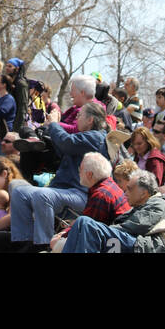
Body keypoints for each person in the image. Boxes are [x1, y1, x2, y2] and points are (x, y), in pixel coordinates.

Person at [9, 101, 108, 248]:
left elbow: (67, 143)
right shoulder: (84, 136)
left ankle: (44, 246)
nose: (76, 119)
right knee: (18, 191)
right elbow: (61, 149)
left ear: (90, 120)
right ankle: (24, 242)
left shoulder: (97, 138)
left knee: (42, 196)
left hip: (81, 194)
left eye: (79, 116)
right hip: (62, 191)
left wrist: (54, 124)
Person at [59, 167, 165, 254]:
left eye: (130, 189)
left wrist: (100, 229)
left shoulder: (158, 203)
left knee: (86, 224)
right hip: (141, 243)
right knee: (82, 223)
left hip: (152, 247)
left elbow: (133, 227)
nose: (125, 193)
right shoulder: (142, 205)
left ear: (144, 193)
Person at [52, 151, 131, 252]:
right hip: (116, 239)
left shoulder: (101, 195)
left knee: (57, 245)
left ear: (89, 174)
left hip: (114, 244)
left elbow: (87, 228)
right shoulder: (108, 186)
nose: (79, 173)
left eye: (80, 170)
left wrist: (63, 235)